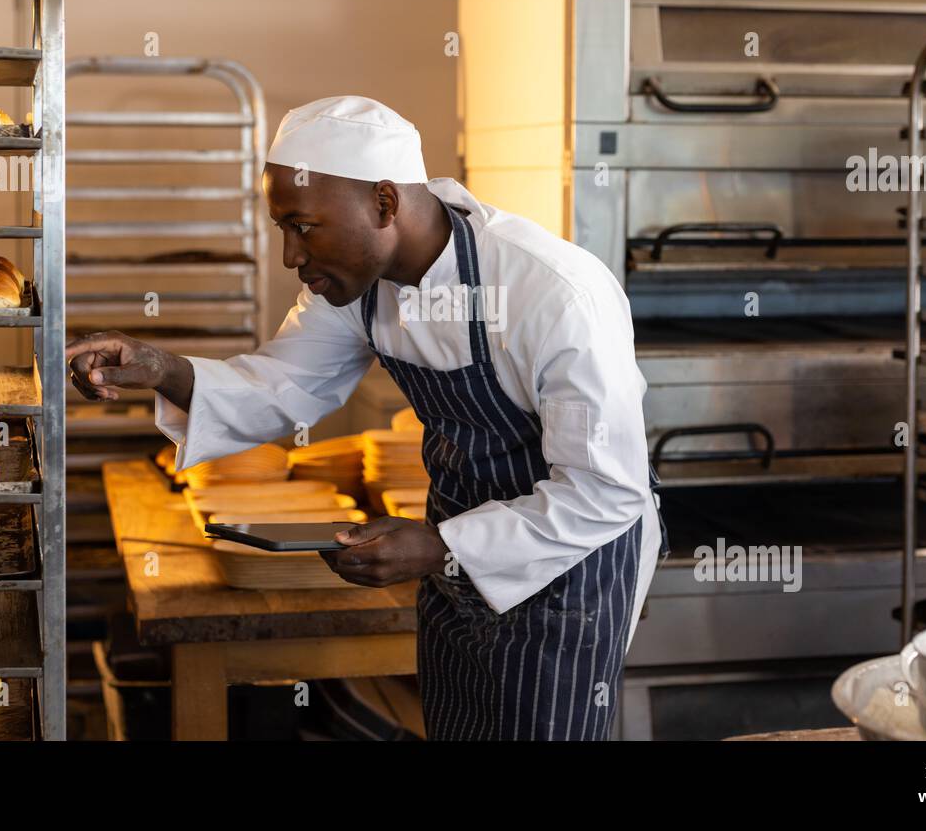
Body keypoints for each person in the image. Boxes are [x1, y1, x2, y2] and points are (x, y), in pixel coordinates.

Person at [66, 96, 667, 740]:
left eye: (305, 226)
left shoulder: (550, 291)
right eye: (283, 230)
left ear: (384, 202)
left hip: (565, 575)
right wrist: (163, 368)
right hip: (453, 565)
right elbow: (284, 383)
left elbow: (604, 491)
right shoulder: (355, 285)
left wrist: (439, 544)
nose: (294, 256)